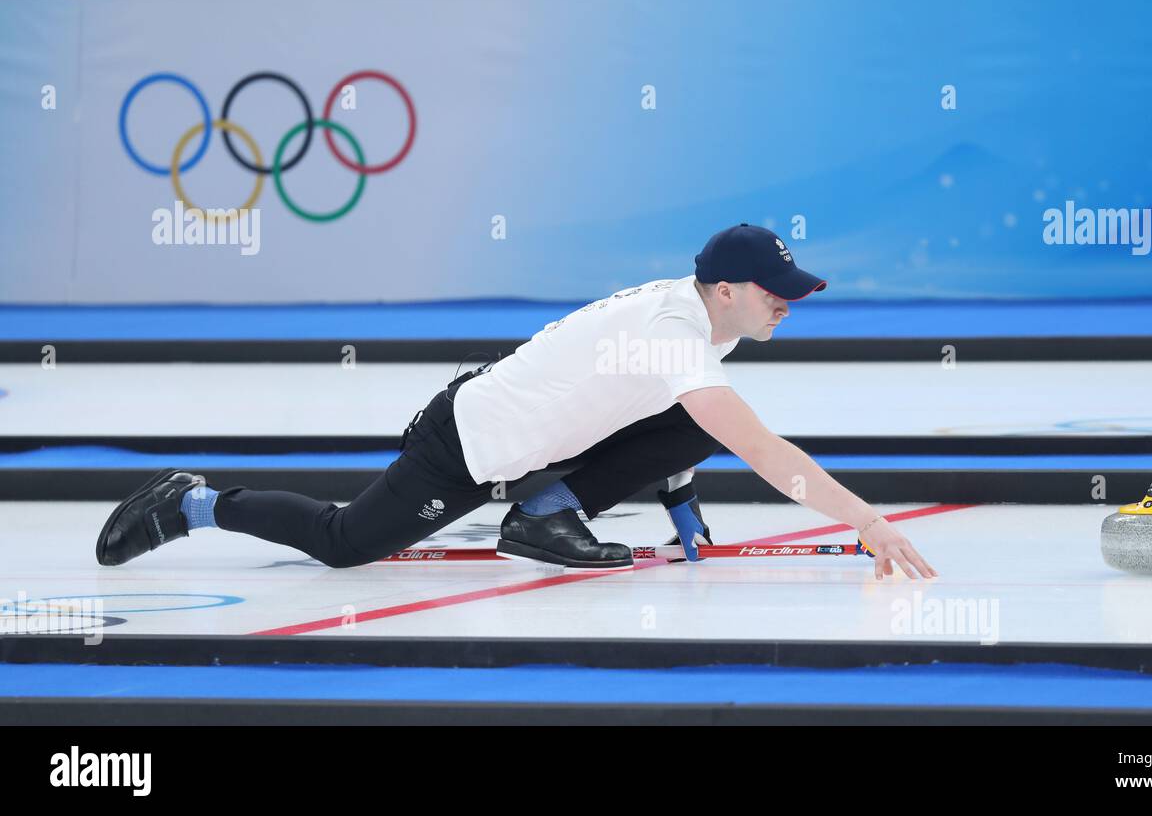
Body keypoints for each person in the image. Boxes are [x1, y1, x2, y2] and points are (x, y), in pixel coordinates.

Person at [96, 223, 937, 580]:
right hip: (467, 442)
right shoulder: (682, 329)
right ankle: (196, 502)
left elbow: (674, 420)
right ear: (723, 288)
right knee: (346, 543)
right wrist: (865, 517)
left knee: (702, 417)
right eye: (774, 290)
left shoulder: (697, 324)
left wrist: (679, 497)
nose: (787, 302)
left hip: (534, 441)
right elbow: (761, 447)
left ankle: (547, 510)